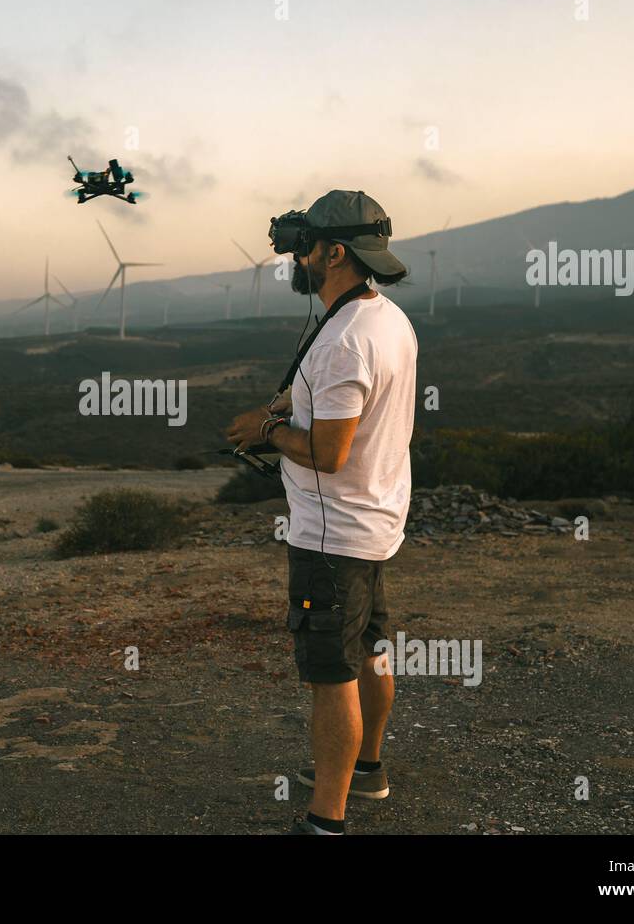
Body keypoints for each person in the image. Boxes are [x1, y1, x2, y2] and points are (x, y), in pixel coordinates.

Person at [226, 190, 417, 835]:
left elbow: (328, 453)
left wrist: (265, 432)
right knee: (370, 647)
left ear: (335, 252)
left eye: (306, 247)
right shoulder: (386, 319)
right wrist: (286, 413)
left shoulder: (344, 342)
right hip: (376, 521)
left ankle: (326, 819)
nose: (297, 259)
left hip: (334, 534)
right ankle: (367, 768)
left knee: (331, 672)